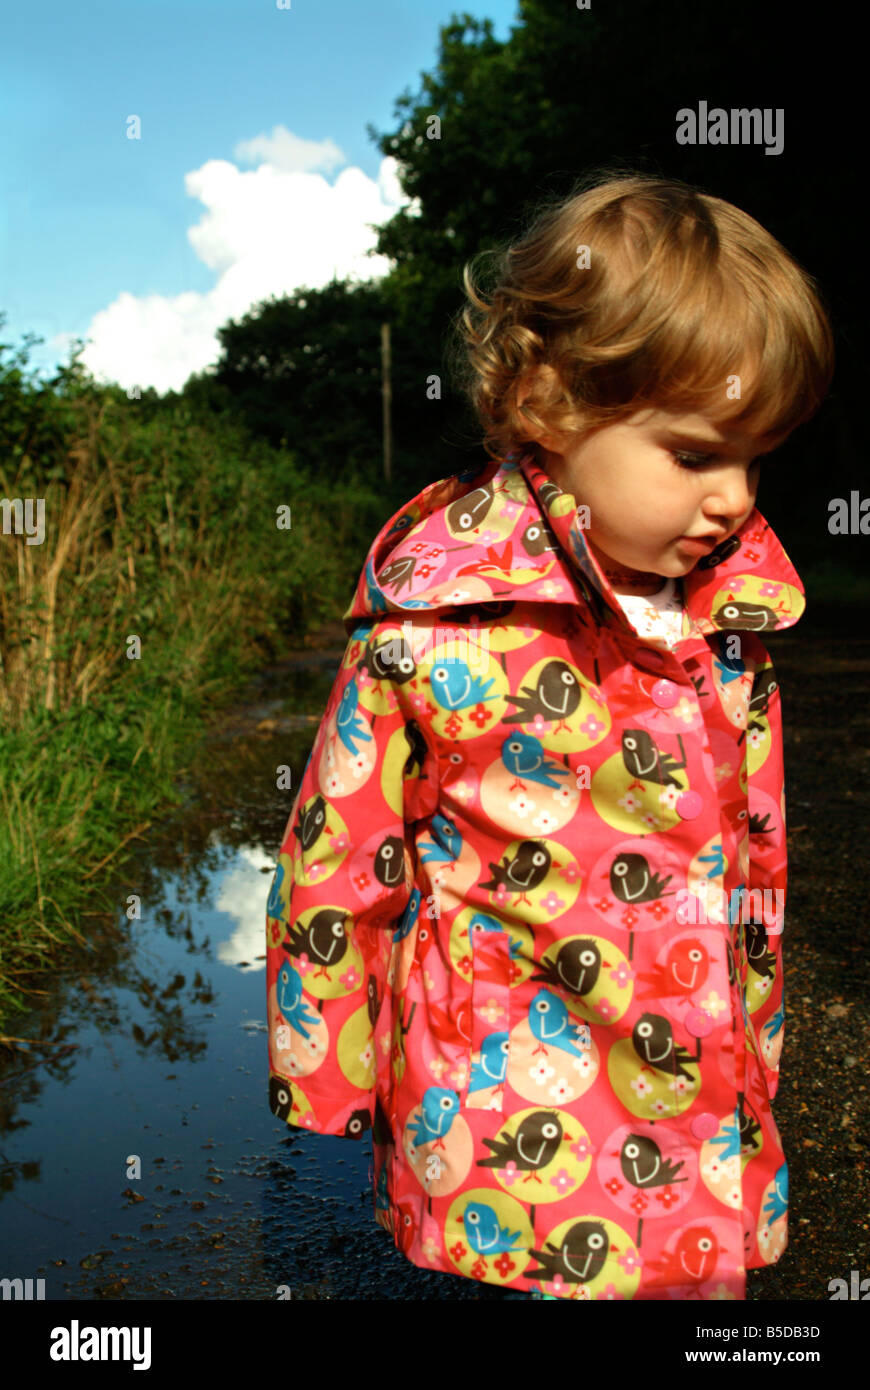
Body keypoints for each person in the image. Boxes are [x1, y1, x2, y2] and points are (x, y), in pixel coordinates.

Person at [265, 170, 834, 1300]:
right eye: (694, 455)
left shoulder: (727, 627)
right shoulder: (434, 624)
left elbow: (759, 858)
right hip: (506, 1092)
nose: (734, 499)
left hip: (694, 1083)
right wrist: (325, 1070)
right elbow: (340, 857)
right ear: (547, 407)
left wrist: (759, 1034)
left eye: (754, 459)